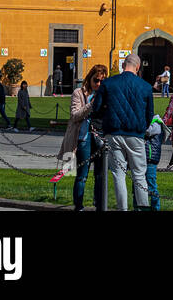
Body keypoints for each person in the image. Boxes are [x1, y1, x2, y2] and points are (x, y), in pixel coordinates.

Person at [93, 54, 154, 210]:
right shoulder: (146, 86)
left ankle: (122, 208)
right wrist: (141, 128)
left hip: (113, 133)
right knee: (139, 175)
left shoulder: (108, 83)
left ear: (122, 65)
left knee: (118, 174)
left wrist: (107, 115)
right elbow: (149, 115)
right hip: (136, 135)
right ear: (138, 67)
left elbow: (96, 109)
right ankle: (142, 207)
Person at [57, 64, 107, 210]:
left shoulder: (105, 95)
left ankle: (100, 205)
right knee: (82, 175)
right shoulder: (79, 93)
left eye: (102, 81)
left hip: (100, 137)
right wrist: (92, 103)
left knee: (100, 176)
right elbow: (75, 115)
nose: (98, 84)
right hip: (84, 138)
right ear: (89, 79)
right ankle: (78, 206)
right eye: (96, 80)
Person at [143, 113, 164, 211]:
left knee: (151, 185)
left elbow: (147, 132)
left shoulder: (156, 123)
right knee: (139, 185)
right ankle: (141, 207)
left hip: (150, 158)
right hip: (144, 157)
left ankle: (155, 207)